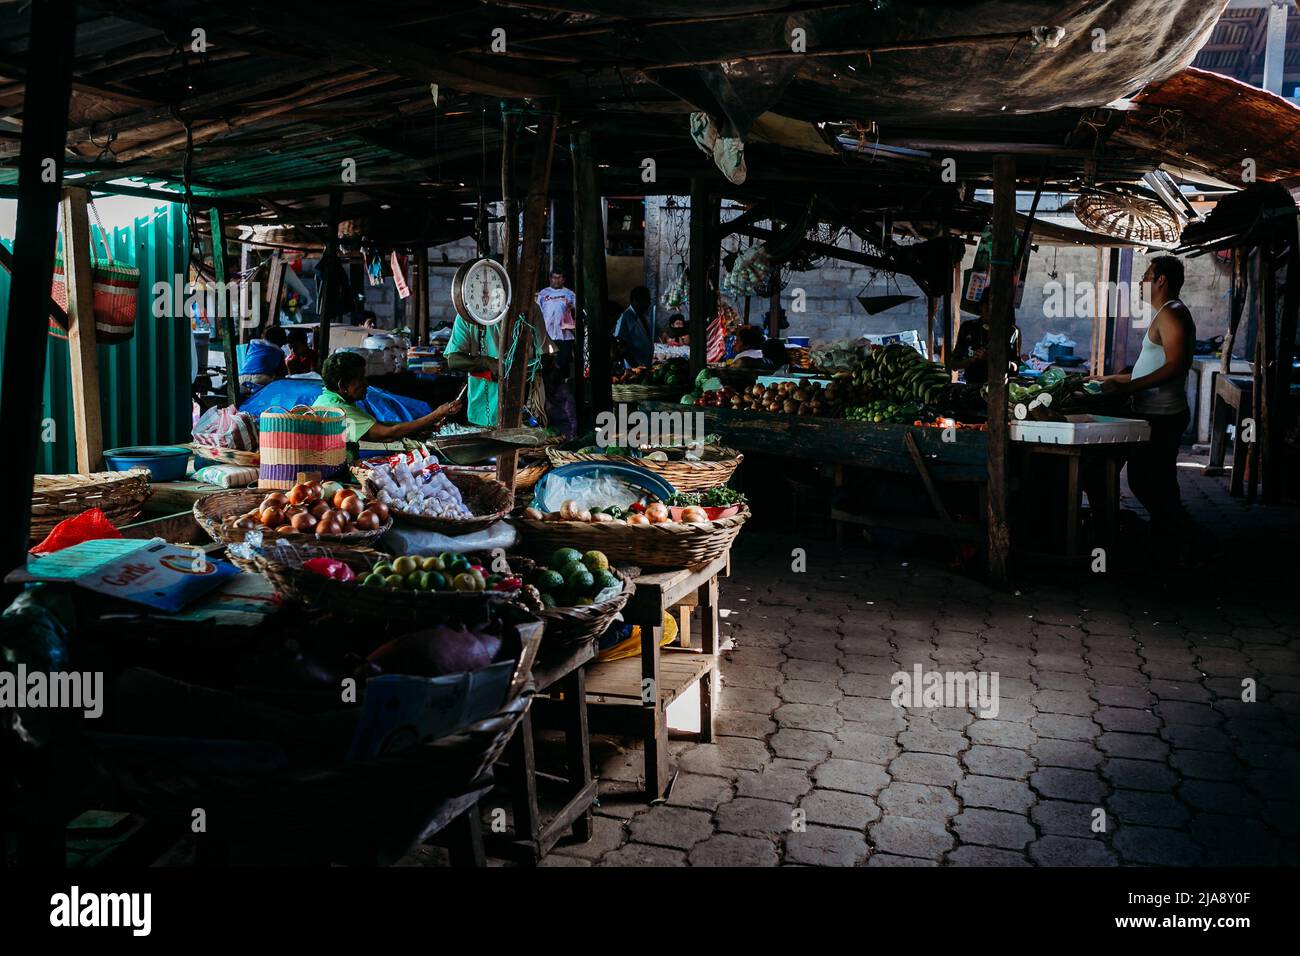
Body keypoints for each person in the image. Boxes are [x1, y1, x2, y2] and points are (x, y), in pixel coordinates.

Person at [1093, 255, 1195, 552]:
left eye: (1147, 276)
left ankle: (1189, 540)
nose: (1141, 282)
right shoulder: (1164, 312)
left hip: (1163, 415)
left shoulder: (1171, 313)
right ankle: (1171, 543)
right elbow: (1148, 367)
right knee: (1158, 482)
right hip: (1155, 413)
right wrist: (1103, 379)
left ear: (1161, 280)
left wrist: (1130, 388)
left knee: (1146, 481)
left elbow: (1175, 365)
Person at [313, 351, 461, 459]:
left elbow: (377, 426)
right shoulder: (341, 411)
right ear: (343, 385)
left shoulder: (327, 399)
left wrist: (422, 427)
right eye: (360, 378)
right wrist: (437, 414)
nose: (366, 383)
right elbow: (387, 434)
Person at [947, 295, 1021, 387]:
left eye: (995, 311)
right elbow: (954, 364)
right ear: (981, 307)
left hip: (1000, 390)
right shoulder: (968, 328)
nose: (990, 315)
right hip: (973, 387)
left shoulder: (1011, 331)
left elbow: (1016, 369)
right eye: (987, 309)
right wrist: (972, 360)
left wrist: (992, 359)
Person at [535, 270, 577, 379]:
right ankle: (548, 390)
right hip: (547, 336)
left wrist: (571, 309)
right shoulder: (543, 294)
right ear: (550, 279)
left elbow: (578, 313)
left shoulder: (570, 294)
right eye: (554, 277)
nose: (557, 280)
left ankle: (564, 386)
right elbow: (537, 313)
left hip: (565, 336)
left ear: (563, 280)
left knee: (563, 364)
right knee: (547, 365)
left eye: (559, 278)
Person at [239, 325, 288, 393]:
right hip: (262, 378)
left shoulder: (252, 343)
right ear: (280, 341)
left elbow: (249, 359)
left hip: (242, 377)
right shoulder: (279, 352)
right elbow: (282, 374)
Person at [614, 286, 655, 368]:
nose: (649, 303)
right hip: (634, 366)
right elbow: (621, 345)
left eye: (649, 300)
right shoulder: (625, 317)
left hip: (645, 363)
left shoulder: (642, 315)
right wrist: (636, 366)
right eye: (646, 300)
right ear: (636, 300)